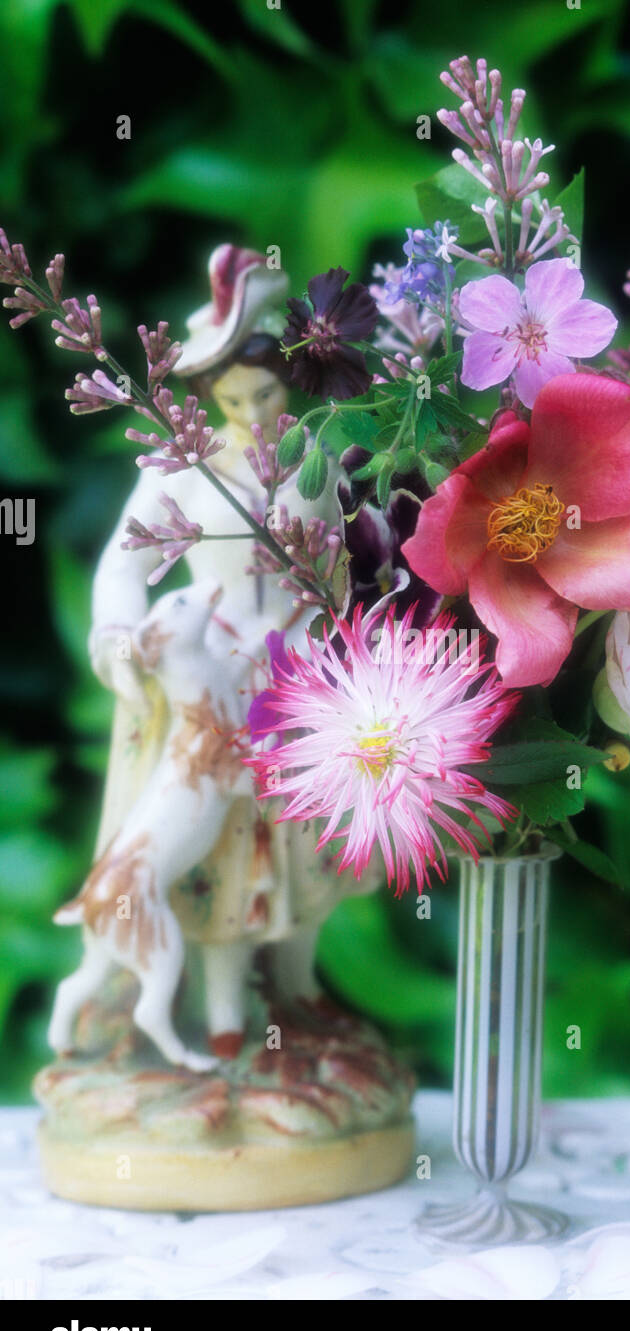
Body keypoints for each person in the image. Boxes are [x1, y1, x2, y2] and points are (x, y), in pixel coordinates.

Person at [77, 244, 373, 1063]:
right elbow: (122, 566)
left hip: (299, 677)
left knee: (304, 845)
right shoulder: (184, 471)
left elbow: (342, 566)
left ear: (289, 382)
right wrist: (119, 636)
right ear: (208, 397)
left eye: (265, 393)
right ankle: (223, 1013)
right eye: (232, 399)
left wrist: (329, 635)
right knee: (219, 849)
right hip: (209, 686)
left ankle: (299, 987)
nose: (250, 412)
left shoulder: (314, 462)